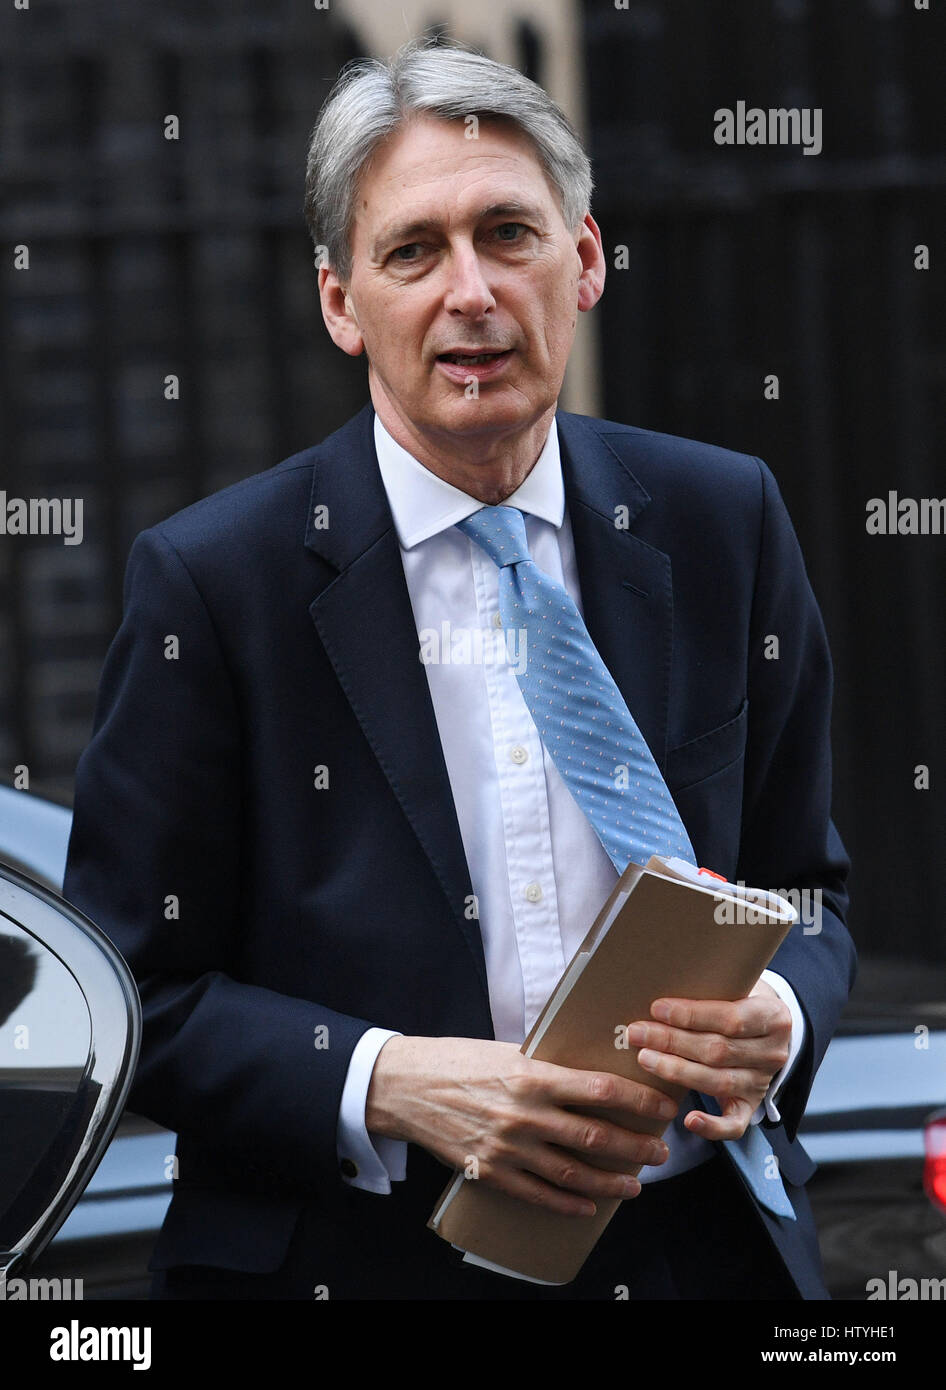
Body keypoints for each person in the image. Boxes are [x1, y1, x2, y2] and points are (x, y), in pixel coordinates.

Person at [63, 37, 854, 1300]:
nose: (470, 292)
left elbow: (807, 891)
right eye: (413, 251)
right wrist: (387, 1078)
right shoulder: (214, 584)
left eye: (508, 234)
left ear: (583, 260)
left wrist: (783, 1016)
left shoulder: (724, 518)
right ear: (341, 303)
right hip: (362, 1263)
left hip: (701, 1257)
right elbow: (126, 995)